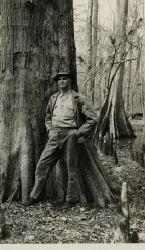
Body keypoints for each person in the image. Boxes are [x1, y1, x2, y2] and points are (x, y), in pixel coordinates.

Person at [25, 71, 98, 208]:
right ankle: (34, 196)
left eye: (65, 79)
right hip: (54, 135)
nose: (62, 81)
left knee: (71, 167)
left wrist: (78, 132)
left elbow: (93, 118)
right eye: (59, 80)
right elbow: (48, 117)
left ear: (70, 81)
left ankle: (70, 199)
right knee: (42, 164)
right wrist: (50, 130)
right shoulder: (54, 98)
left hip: (70, 135)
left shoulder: (78, 98)